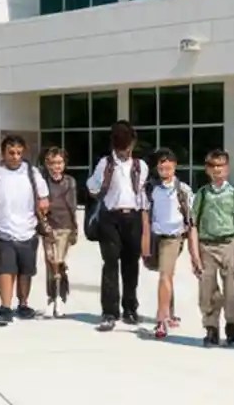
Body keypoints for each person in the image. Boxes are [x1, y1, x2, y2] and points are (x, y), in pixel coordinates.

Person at [86, 120, 148, 331]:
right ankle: (110, 311)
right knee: (110, 264)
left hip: (133, 217)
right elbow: (91, 188)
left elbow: (142, 195)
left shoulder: (141, 166)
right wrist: (103, 179)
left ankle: (130, 308)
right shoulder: (105, 163)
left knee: (131, 265)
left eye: (127, 144)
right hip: (110, 218)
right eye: (121, 145)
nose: (125, 150)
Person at [190, 149, 234, 347]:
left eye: (221, 166)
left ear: (227, 168)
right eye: (213, 166)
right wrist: (194, 253)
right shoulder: (202, 194)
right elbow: (192, 223)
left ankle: (232, 324)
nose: (217, 170)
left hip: (229, 243)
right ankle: (211, 327)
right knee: (207, 288)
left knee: (233, 286)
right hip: (206, 244)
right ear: (207, 169)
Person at [0, 134, 49, 326]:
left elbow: (44, 198)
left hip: (28, 230)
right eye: (11, 153)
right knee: (6, 269)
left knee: (25, 271)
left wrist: (43, 210)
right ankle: (5, 307)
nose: (15, 156)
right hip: (3, 230)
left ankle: (23, 303)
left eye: (18, 153)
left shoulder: (32, 173)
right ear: (3, 153)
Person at [140, 148, 195, 340]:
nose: (164, 166)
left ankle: (161, 319)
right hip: (156, 236)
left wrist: (194, 250)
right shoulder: (150, 189)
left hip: (174, 238)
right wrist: (145, 244)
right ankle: (170, 311)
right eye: (161, 163)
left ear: (175, 165)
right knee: (167, 275)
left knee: (164, 274)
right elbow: (145, 217)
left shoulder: (183, 189)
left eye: (168, 162)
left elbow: (192, 219)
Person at [39, 146, 78, 318]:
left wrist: (75, 229)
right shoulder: (43, 182)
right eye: (53, 163)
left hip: (65, 227)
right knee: (50, 263)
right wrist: (43, 224)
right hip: (49, 226)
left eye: (60, 163)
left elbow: (73, 206)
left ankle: (60, 297)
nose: (56, 166)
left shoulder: (70, 182)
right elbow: (39, 205)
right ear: (47, 164)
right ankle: (51, 298)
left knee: (59, 263)